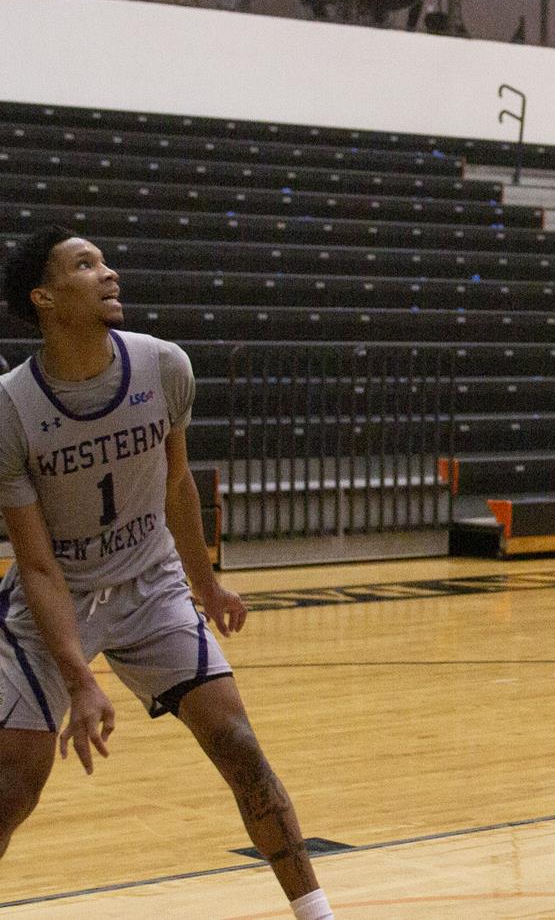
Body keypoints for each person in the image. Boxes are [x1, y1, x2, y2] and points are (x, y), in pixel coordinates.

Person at [0, 227, 335, 920]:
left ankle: (317, 914)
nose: (109, 273)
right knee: (12, 789)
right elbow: (33, 562)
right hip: (55, 599)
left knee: (239, 746)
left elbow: (177, 483)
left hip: (150, 583)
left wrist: (205, 583)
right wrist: (79, 679)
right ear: (44, 298)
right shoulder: (10, 408)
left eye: (105, 261)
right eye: (85, 265)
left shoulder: (162, 365)